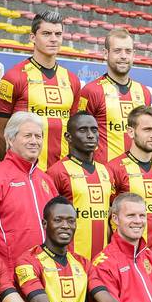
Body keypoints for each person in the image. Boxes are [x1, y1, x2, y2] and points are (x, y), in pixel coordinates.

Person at [0, 9, 81, 171]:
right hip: (25, 174)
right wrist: (16, 169)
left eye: (58, 34)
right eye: (46, 33)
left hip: (63, 176)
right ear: (33, 37)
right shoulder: (14, 77)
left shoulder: (72, 80)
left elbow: (73, 133)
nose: (53, 39)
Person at [0, 112, 58, 274]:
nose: (34, 141)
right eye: (28, 135)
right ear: (9, 139)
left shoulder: (47, 180)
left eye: (38, 136)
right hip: (8, 280)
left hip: (46, 276)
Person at [76, 27, 152, 165]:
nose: (123, 56)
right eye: (117, 51)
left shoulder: (144, 93)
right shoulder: (91, 91)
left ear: (134, 55)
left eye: (128, 51)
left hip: (136, 175)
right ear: (106, 53)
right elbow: (79, 136)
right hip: (104, 175)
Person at [44, 112, 113, 261]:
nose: (90, 135)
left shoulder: (106, 171)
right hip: (70, 261)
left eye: (94, 130)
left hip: (102, 261)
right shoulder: (57, 172)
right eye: (83, 130)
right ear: (68, 137)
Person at [108, 104, 152, 254]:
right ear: (131, 132)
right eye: (147, 129)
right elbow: (107, 220)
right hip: (125, 260)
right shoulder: (114, 169)